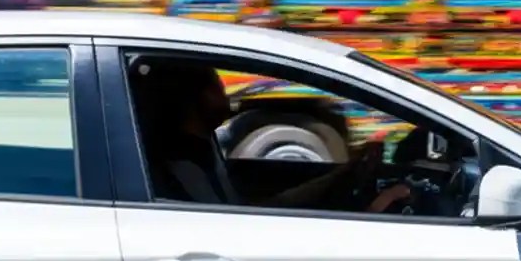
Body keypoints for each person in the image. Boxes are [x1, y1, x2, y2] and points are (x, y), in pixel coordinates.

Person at [138, 60, 411, 213]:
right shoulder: (181, 166)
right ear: (199, 97)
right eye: (218, 87)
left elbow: (268, 207)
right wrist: (373, 213)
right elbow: (236, 231)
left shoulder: (201, 151)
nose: (227, 95)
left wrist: (342, 174)